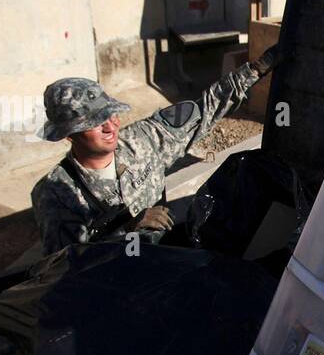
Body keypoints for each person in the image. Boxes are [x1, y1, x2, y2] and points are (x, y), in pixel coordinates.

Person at [31, 46, 283, 255]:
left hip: (166, 261)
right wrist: (128, 231)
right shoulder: (55, 193)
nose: (110, 125)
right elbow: (66, 269)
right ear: (68, 135)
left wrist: (257, 69)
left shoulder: (144, 140)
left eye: (110, 114)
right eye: (94, 123)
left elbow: (204, 110)